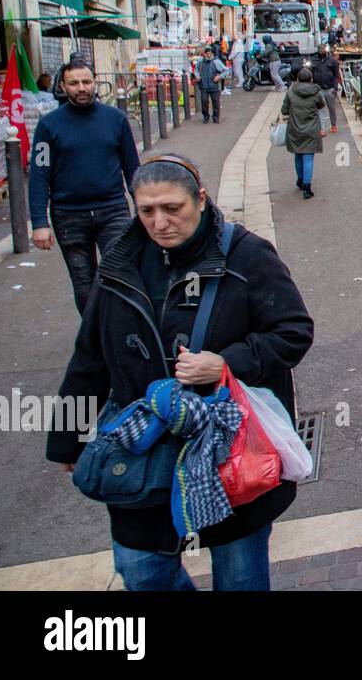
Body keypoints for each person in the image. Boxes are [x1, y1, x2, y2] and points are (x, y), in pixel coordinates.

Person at [46, 154, 313, 590]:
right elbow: (90, 356)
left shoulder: (246, 254)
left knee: (239, 575)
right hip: (145, 446)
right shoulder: (119, 263)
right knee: (141, 572)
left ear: (201, 200)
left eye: (173, 209)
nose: (160, 222)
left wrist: (227, 362)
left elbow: (293, 331)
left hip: (227, 448)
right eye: (147, 210)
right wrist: (66, 436)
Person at [29, 59, 140, 315]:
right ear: (63, 86)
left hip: (113, 209)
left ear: (95, 83)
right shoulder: (48, 127)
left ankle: (121, 330)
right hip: (69, 215)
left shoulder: (116, 120)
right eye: (74, 83)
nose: (81, 88)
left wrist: (143, 207)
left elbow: (132, 168)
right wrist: (39, 223)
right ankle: (95, 339)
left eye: (86, 81)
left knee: (121, 273)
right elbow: (39, 175)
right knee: (83, 284)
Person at [281, 67, 324, 200]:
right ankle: (307, 187)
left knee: (298, 154)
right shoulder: (316, 92)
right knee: (308, 157)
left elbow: (284, 110)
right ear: (311, 79)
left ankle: (300, 179)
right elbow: (321, 105)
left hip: (294, 127)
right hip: (311, 128)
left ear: (297, 79)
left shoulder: (291, 92)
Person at [312, 41, 341, 135]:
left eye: (323, 48)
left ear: (326, 50)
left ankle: (333, 125)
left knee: (331, 108)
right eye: (319, 48)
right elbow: (311, 74)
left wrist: (335, 88)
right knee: (320, 109)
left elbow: (336, 75)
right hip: (319, 89)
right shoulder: (314, 61)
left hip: (330, 88)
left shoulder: (332, 61)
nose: (321, 50)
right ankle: (322, 129)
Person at [194, 45, 227, 124]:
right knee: (204, 102)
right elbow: (196, 70)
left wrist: (219, 76)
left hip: (214, 86)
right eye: (207, 53)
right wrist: (197, 76)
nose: (208, 55)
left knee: (216, 102)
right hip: (204, 85)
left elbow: (226, 70)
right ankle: (206, 117)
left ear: (212, 54)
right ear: (204, 54)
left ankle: (215, 118)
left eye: (210, 53)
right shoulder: (200, 61)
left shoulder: (216, 62)